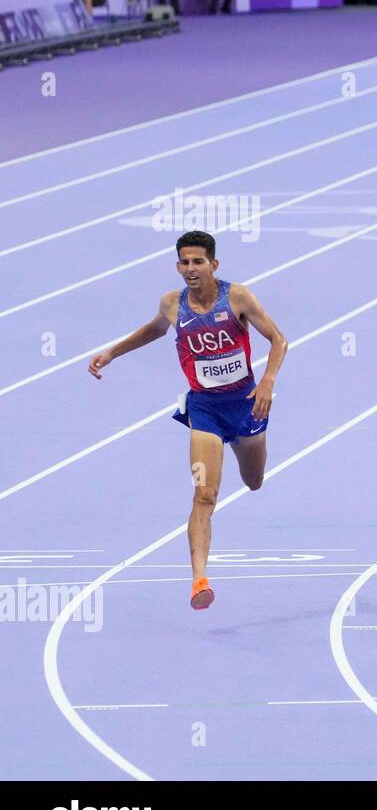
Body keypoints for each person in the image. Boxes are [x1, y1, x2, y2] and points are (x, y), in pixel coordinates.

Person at [87, 232, 288, 610]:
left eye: (198, 262)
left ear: (214, 265)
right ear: (178, 266)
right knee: (204, 494)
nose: (191, 269)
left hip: (245, 406)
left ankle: (247, 445)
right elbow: (153, 330)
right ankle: (199, 581)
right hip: (204, 410)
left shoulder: (237, 297)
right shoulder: (171, 304)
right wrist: (112, 353)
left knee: (254, 481)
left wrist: (267, 382)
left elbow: (279, 340)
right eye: (184, 262)